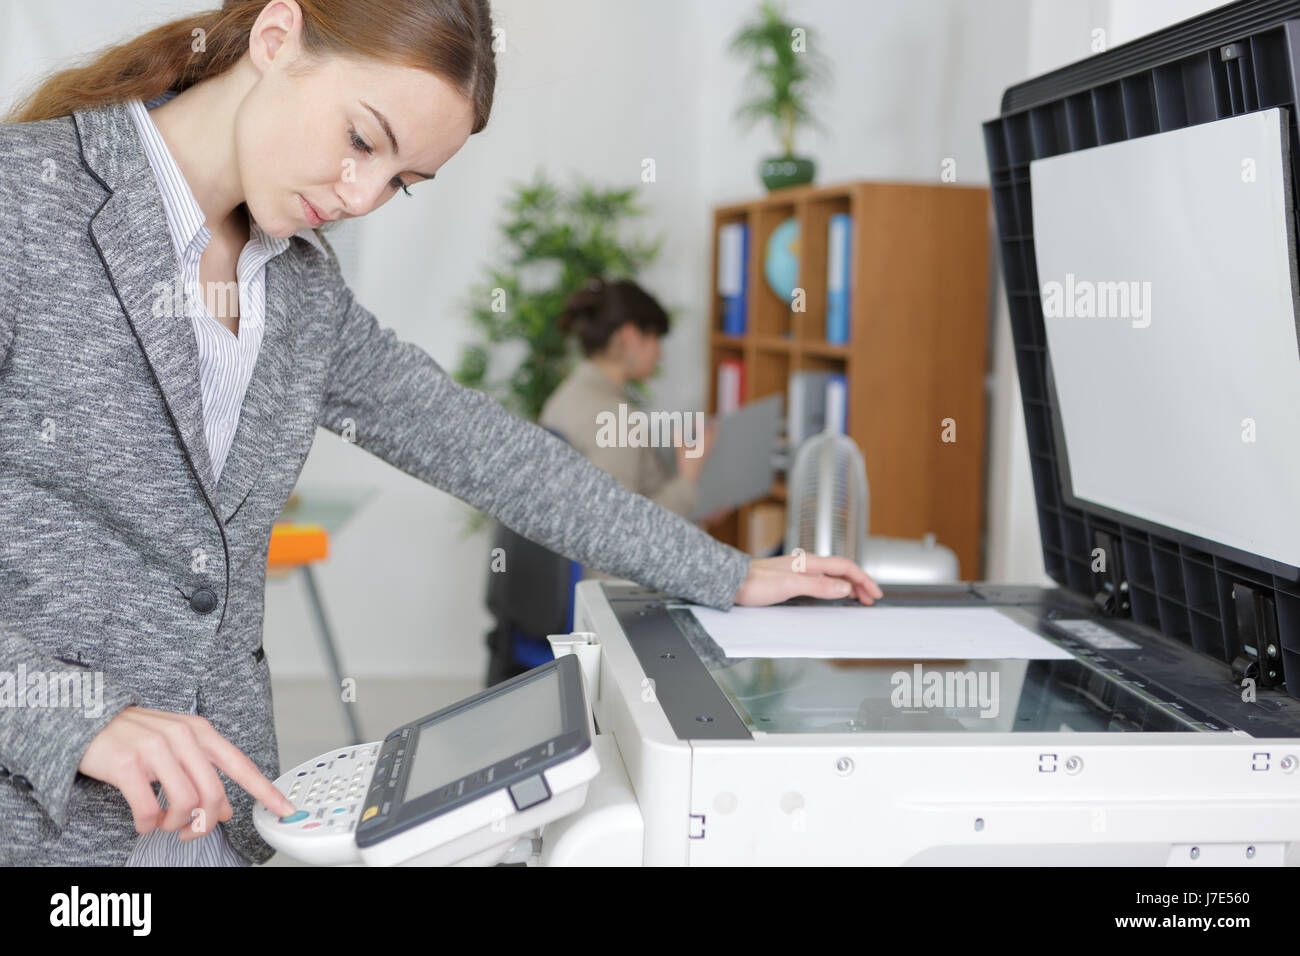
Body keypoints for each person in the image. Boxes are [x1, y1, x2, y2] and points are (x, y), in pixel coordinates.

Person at [0, 0, 882, 867]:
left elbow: (490, 452)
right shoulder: (21, 204)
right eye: (360, 139)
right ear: (275, 36)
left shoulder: (302, 292)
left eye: (399, 181)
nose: (359, 197)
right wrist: (75, 716)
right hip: (39, 819)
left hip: (218, 819)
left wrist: (729, 573)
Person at [542, 276, 718, 522]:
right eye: (655, 338)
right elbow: (621, 529)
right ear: (630, 336)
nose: (660, 353)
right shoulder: (614, 417)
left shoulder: (562, 398)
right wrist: (688, 479)